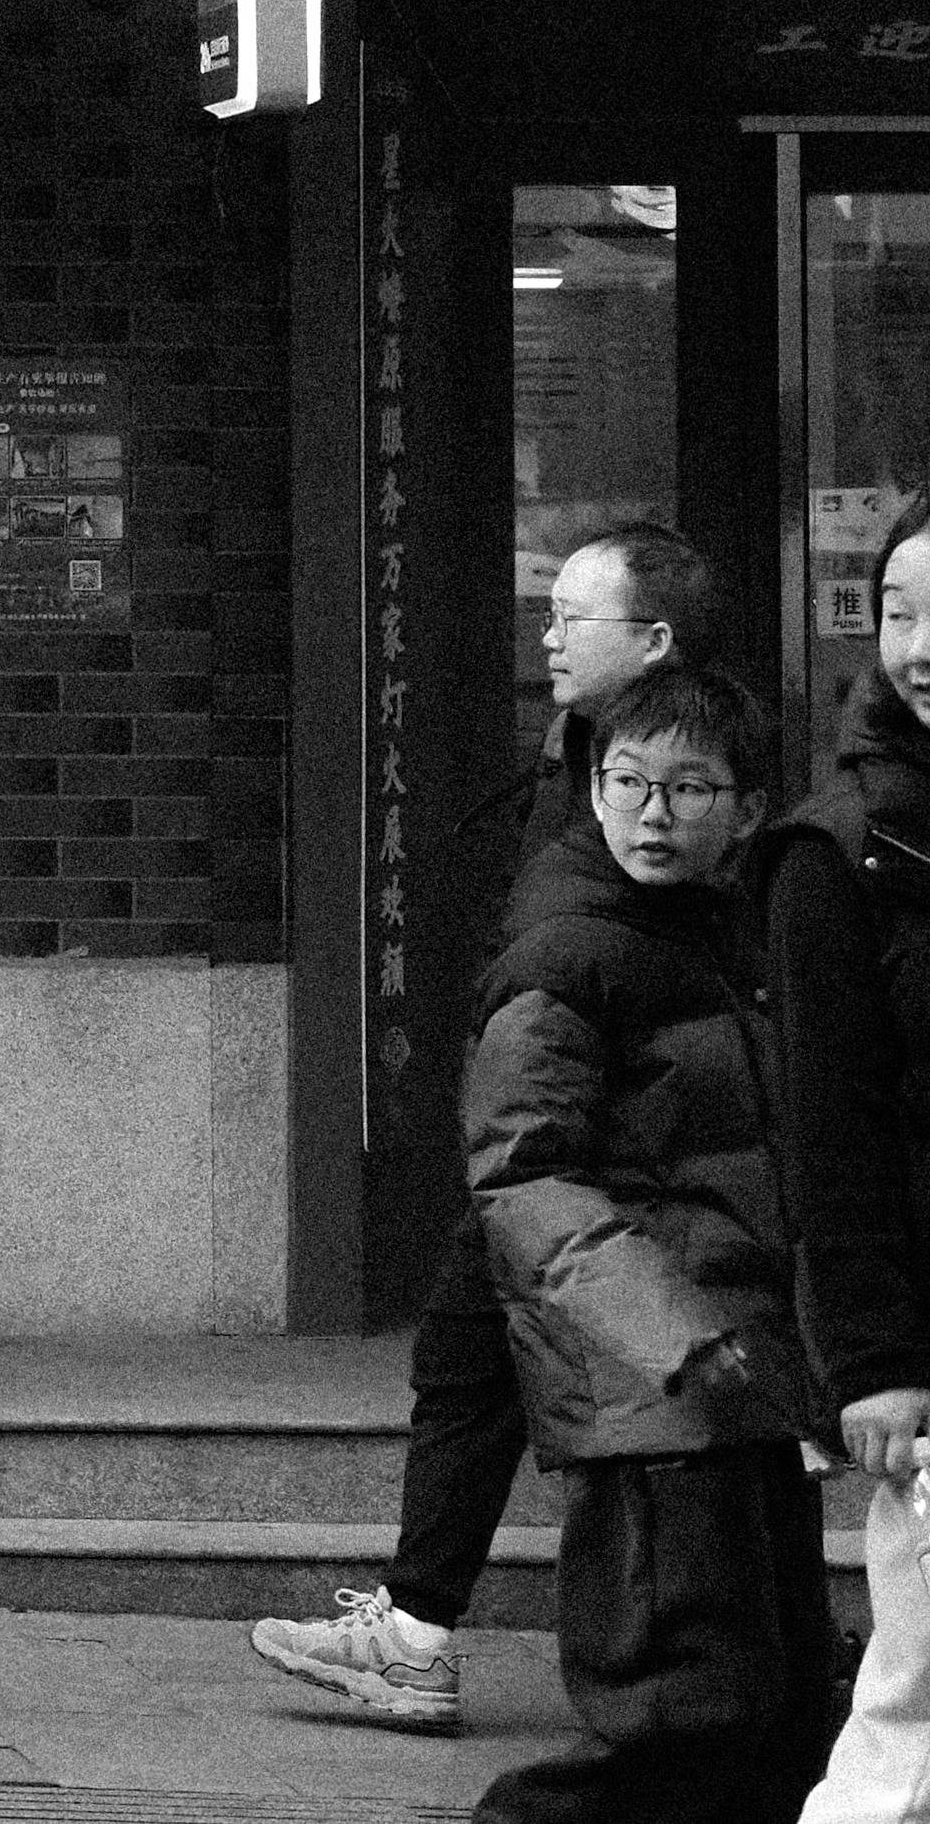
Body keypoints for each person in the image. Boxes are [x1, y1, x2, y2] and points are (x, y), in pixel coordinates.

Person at [258, 519, 714, 1728]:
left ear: (656, 638)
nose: (550, 636)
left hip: (608, 1145)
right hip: (545, 1133)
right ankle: (419, 1626)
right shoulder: (581, 759)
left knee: (606, 1393)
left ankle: (449, 1635)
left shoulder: (673, 777)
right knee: (473, 1357)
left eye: (577, 616)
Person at [453, 663, 836, 1822]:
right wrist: (675, 1339)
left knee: (777, 1714)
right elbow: (525, 1175)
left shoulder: (730, 932)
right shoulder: (566, 951)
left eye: (687, 787)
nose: (653, 814)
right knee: (683, 1713)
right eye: (626, 783)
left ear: (749, 805)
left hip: (745, 1378)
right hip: (655, 1393)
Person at [773, 509, 930, 1820]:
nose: (921, 645)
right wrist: (872, 1360)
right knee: (910, 1712)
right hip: (921, 1337)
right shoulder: (844, 850)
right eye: (899, 612)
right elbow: (838, 1133)